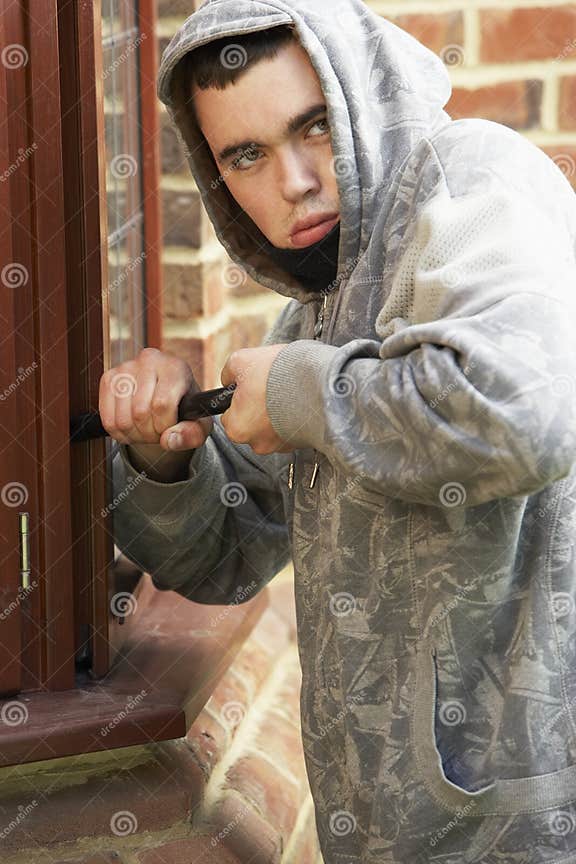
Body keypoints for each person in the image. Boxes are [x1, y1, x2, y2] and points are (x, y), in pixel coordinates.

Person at [102, 0, 576, 860]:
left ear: (364, 92)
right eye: (246, 154)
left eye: (314, 127)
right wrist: (156, 454)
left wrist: (297, 394)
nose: (292, 181)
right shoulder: (321, 310)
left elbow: (526, 411)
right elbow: (228, 553)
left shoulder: (474, 182)